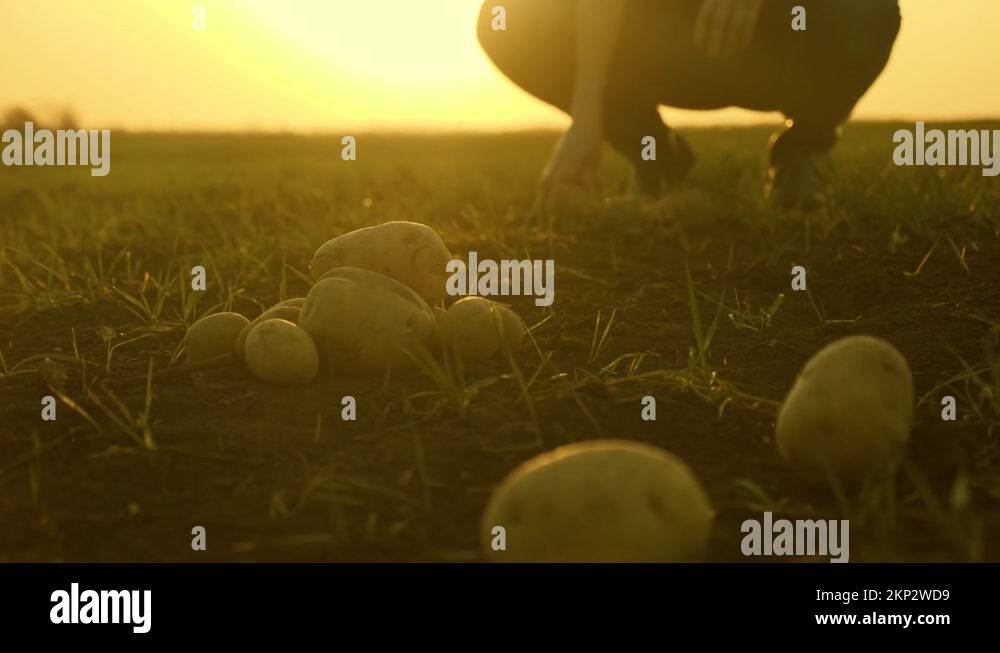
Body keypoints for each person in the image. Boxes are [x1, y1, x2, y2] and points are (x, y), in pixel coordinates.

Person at [477, 0, 901, 209]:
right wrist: (588, 114)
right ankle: (658, 158)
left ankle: (803, 152)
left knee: (868, 10)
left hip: (776, 30)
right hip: (667, 35)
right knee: (510, 20)